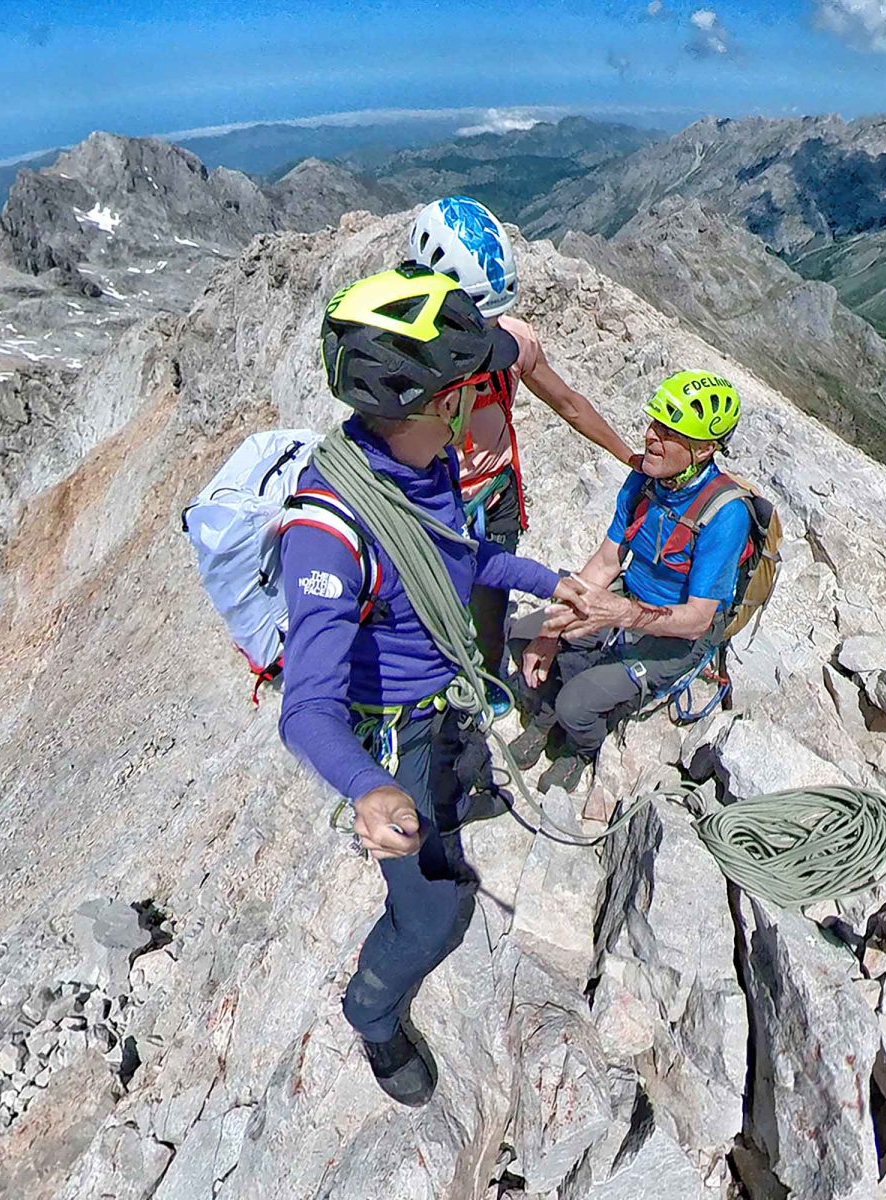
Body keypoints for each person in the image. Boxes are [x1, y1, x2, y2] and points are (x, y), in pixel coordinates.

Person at [278, 265, 590, 1107]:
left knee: (460, 780)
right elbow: (305, 708)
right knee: (433, 916)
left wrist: (546, 578)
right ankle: (373, 1013)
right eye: (465, 387)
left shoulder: (428, 468)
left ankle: (459, 795)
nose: (477, 400)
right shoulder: (328, 534)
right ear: (430, 401)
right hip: (393, 735)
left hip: (444, 702)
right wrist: (370, 788)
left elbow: (463, 558)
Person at [408, 196, 642, 695]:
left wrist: (628, 456)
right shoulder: (402, 359)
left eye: (492, 319)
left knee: (490, 600)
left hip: (494, 491)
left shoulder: (514, 342)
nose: (486, 332)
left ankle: (486, 676)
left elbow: (568, 402)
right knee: (432, 601)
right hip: (433, 499)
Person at [508, 371, 750, 794]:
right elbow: (605, 561)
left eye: (669, 431)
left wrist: (619, 613)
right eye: (654, 423)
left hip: (675, 636)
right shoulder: (645, 482)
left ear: (705, 449)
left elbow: (696, 620)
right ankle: (547, 716)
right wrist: (552, 630)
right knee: (526, 635)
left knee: (577, 704)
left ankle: (581, 746)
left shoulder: (726, 514)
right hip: (629, 600)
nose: (651, 437)